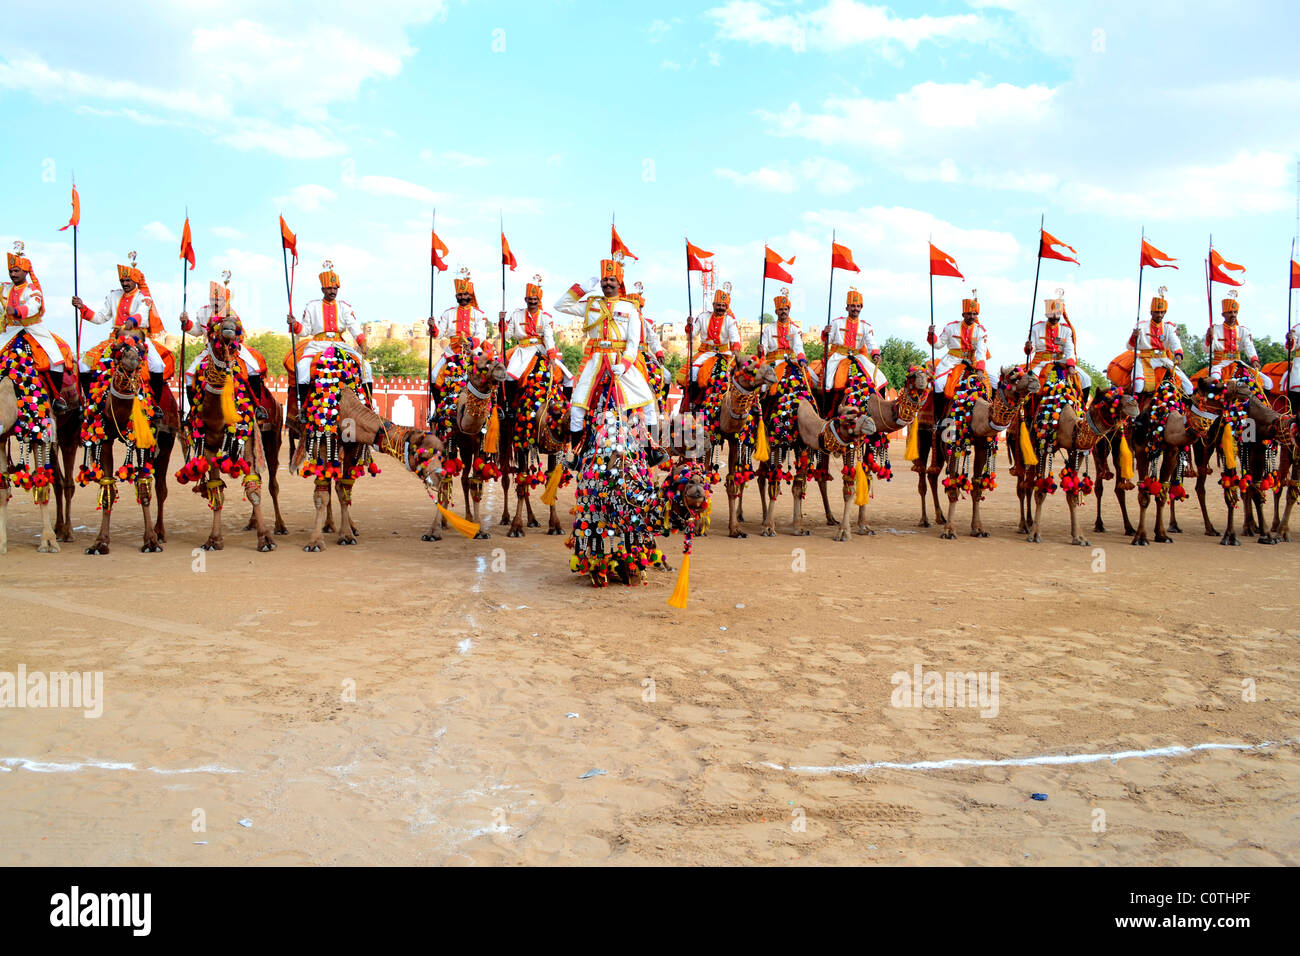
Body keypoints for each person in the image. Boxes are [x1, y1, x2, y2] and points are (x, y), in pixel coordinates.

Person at [552, 255, 658, 456]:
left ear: (619, 283)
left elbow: (633, 342)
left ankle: (652, 451)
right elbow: (560, 306)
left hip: (620, 362)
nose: (607, 284)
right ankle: (578, 454)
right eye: (604, 280)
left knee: (648, 402)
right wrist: (581, 288)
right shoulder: (591, 305)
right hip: (596, 362)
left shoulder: (629, 308)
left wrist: (626, 364)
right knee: (576, 409)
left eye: (611, 280)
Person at [73, 255, 172, 400]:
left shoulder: (143, 297)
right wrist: (83, 308)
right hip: (115, 339)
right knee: (83, 364)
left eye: (128, 281)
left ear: (135, 281)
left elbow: (141, 313)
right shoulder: (113, 296)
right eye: (122, 281)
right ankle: (89, 402)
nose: (125, 284)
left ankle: (156, 407)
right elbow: (101, 317)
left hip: (138, 337)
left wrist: (131, 322)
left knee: (157, 365)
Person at [285, 261, 373, 414]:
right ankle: (303, 410)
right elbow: (305, 330)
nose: (332, 291)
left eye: (335, 288)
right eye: (329, 288)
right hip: (317, 344)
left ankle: (369, 408)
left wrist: (362, 342)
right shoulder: (312, 306)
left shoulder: (344, 306)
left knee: (367, 368)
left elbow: (353, 327)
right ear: (322, 289)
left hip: (339, 344)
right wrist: (295, 324)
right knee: (302, 369)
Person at [181, 276, 271, 418]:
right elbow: (197, 331)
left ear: (225, 300)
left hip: (232, 349)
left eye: (219, 299)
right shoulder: (203, 312)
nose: (215, 302)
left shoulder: (231, 314)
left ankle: (257, 406)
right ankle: (193, 411)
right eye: (213, 299)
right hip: (210, 349)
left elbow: (239, 335)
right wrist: (186, 323)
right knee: (189, 374)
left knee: (253, 368)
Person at [1, 243, 76, 411]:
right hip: (10, 331)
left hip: (33, 329)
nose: (13, 274)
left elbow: (34, 306)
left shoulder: (32, 290)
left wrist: (17, 310)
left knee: (55, 359)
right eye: (11, 271)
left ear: (26, 272)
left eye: (16, 271)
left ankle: (56, 399)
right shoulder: (4, 289)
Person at [1106, 289, 1192, 399]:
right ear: (1151, 312)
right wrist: (1134, 336)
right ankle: (1133, 410)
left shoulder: (1169, 327)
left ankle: (1186, 413)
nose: (1159, 315)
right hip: (1144, 359)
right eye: (1157, 312)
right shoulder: (1141, 326)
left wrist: (1178, 355)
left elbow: (1175, 342)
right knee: (1138, 386)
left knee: (1188, 386)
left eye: (1162, 312)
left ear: (1165, 312)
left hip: (1163, 359)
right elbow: (1129, 346)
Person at [504, 275, 571, 387]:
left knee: (568, 379)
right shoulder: (516, 315)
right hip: (522, 351)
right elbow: (507, 335)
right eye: (530, 299)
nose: (532, 302)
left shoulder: (545, 317)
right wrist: (502, 322)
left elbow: (549, 337)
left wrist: (552, 357)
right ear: (526, 300)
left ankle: (566, 404)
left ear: (539, 300)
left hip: (541, 349)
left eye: (535, 299)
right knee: (509, 376)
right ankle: (509, 404)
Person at [927, 293, 990, 411]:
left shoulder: (981, 331)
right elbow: (938, 345)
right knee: (939, 385)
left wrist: (980, 370)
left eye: (974, 314)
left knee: (994, 383)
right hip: (951, 361)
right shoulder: (951, 327)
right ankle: (938, 418)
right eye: (969, 314)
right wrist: (931, 335)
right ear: (963, 314)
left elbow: (981, 352)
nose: (972, 316)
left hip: (972, 362)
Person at [1025, 293, 1091, 397]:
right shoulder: (1036, 328)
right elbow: (1031, 349)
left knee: (1086, 379)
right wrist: (1029, 347)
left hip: (1061, 362)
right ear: (1047, 314)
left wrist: (1071, 366)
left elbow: (1069, 350)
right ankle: (1026, 412)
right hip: (1040, 363)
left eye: (1057, 314)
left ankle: (1083, 410)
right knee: (1028, 383)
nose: (1055, 317)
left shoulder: (1066, 330)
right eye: (1052, 314)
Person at [1204, 293, 1271, 391]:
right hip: (1220, 364)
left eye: (1235, 312)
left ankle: (1262, 404)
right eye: (1230, 312)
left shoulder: (1243, 331)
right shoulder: (1215, 329)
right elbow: (1206, 350)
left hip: (1238, 362)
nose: (1233, 315)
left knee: (1268, 382)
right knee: (1215, 382)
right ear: (1223, 314)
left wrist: (1254, 360)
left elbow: (1249, 346)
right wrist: (1208, 338)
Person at [823, 288, 882, 392]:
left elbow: (871, 343)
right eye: (853, 306)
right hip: (839, 357)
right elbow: (826, 341)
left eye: (858, 306)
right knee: (828, 381)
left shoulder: (866, 326)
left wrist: (875, 354)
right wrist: (825, 333)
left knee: (878, 378)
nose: (856, 309)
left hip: (857, 356)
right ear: (847, 308)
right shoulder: (836, 323)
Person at [687, 285, 741, 391]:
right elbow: (692, 335)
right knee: (693, 371)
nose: (720, 308)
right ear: (713, 305)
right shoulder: (703, 317)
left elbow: (734, 339)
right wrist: (689, 326)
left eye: (723, 305)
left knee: (736, 377)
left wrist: (735, 353)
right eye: (718, 305)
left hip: (725, 354)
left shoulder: (730, 320)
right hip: (705, 353)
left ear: (726, 307)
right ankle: (694, 402)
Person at [758, 288, 812, 393]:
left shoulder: (794, 329)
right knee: (764, 387)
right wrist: (761, 350)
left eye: (786, 309)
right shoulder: (769, 329)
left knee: (809, 379)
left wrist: (801, 359)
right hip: (773, 362)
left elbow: (798, 346)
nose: (783, 312)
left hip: (792, 361)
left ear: (789, 311)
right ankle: (760, 406)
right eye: (781, 309)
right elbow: (764, 346)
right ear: (776, 311)